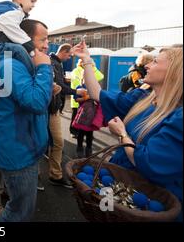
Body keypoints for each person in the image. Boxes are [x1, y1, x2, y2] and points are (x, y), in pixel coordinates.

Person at [73, 43, 183, 221]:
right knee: (103, 216)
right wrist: (86, 60)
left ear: (173, 72)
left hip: (149, 203)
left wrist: (123, 135)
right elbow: (96, 93)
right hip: (119, 182)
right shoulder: (142, 98)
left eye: (155, 61)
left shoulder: (179, 117)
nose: (146, 65)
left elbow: (149, 163)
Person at [0, 19, 53, 222]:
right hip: (19, 153)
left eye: (47, 40)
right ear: (23, 38)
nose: (46, 45)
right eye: (42, 40)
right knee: (19, 212)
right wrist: (44, 70)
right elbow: (36, 102)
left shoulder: (19, 62)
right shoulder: (10, 65)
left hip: (25, 147)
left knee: (20, 208)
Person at [48, 44, 85, 188]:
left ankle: (55, 174)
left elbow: (60, 86)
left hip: (54, 108)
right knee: (46, 143)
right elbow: (58, 86)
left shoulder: (57, 63)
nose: (69, 58)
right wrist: (76, 92)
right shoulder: (51, 63)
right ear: (63, 52)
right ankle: (40, 176)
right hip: (47, 110)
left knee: (57, 143)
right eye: (69, 55)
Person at [70, 58, 104, 157]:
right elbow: (77, 99)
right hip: (82, 113)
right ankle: (79, 148)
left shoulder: (94, 87)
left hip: (92, 114)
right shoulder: (80, 87)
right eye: (85, 77)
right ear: (82, 78)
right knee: (81, 132)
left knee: (90, 133)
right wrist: (86, 97)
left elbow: (99, 97)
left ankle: (89, 149)